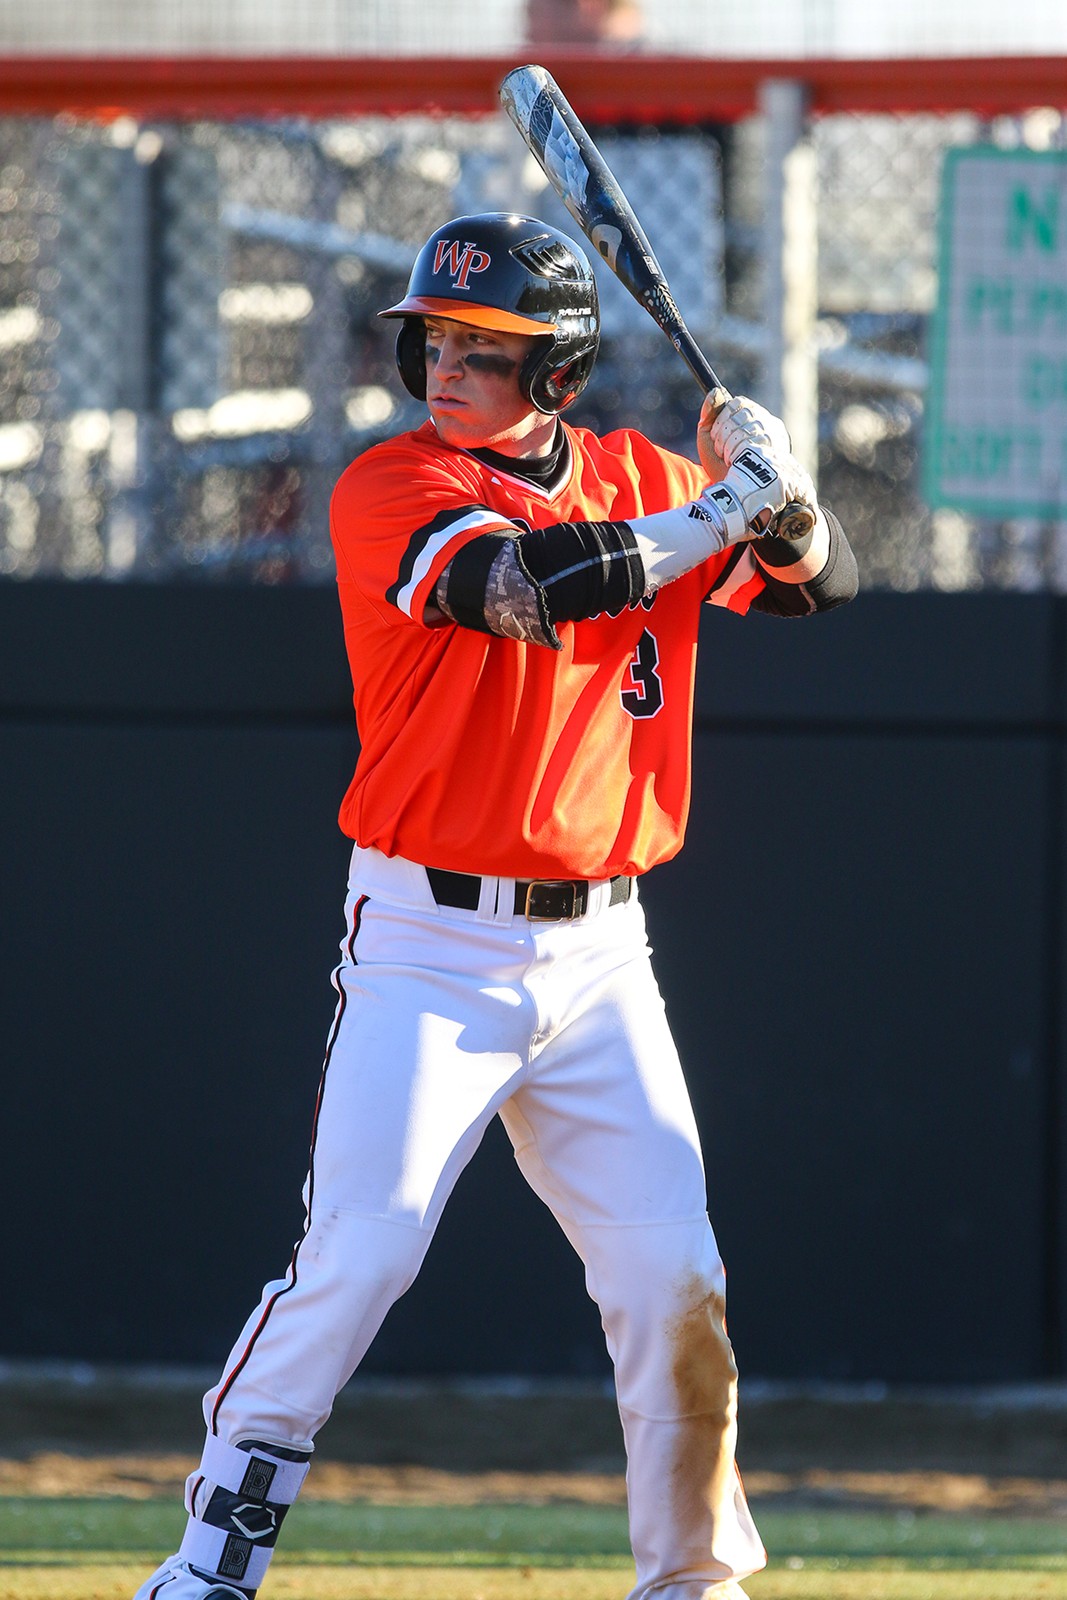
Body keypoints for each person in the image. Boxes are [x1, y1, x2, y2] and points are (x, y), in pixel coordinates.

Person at [134, 211, 857, 1600]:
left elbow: (818, 587)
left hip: (603, 953)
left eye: (485, 347)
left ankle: (693, 1579)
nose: (444, 365)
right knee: (362, 1254)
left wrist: (789, 493)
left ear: (560, 370)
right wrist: (718, 509)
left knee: (672, 1285)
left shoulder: (646, 471)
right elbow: (529, 587)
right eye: (434, 340)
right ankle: (212, 1558)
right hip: (427, 944)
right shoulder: (390, 487)